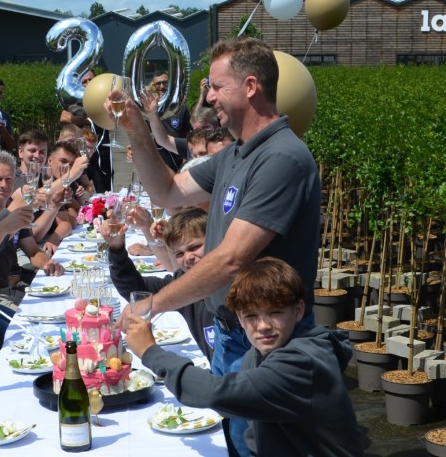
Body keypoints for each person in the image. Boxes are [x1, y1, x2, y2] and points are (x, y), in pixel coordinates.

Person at [113, 37, 321, 457]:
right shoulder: (237, 155)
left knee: (261, 448)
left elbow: (230, 259)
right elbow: (168, 192)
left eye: (215, 86)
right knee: (236, 444)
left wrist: (151, 305)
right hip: (232, 334)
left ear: (249, 86)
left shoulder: (282, 157)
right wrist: (136, 129)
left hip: (266, 341)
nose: (206, 97)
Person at [125, 257, 361, 457]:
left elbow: (217, 392)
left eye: (275, 313)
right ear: (238, 319)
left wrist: (150, 352)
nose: (263, 326)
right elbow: (237, 411)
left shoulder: (302, 362)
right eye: (251, 316)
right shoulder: (257, 353)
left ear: (298, 311)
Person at [101, 207, 215, 360]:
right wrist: (117, 248)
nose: (188, 257)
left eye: (194, 247)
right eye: (179, 253)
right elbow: (136, 290)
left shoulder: (234, 285)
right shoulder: (182, 281)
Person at [0, 150, 65, 310]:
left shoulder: (15, 206)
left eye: (9, 180)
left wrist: (49, 263)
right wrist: (14, 210)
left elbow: (32, 251)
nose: (4, 185)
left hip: (18, 283)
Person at [61, 69, 113, 193]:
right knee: (78, 189)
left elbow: (111, 117)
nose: (88, 83)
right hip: (79, 152)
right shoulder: (74, 100)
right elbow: (63, 116)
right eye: (84, 81)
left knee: (104, 191)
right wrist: (86, 119)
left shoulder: (103, 98)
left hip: (100, 152)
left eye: (91, 80)